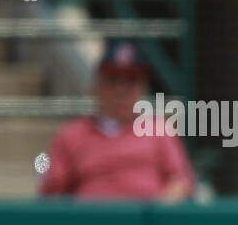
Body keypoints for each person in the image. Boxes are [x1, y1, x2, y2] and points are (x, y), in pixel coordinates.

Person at [39, 42, 194, 202]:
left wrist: (159, 213)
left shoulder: (159, 129)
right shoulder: (71, 134)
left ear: (142, 88)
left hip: (145, 221)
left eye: (131, 82)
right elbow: (52, 191)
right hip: (90, 222)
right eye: (113, 80)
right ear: (96, 87)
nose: (121, 90)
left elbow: (180, 181)